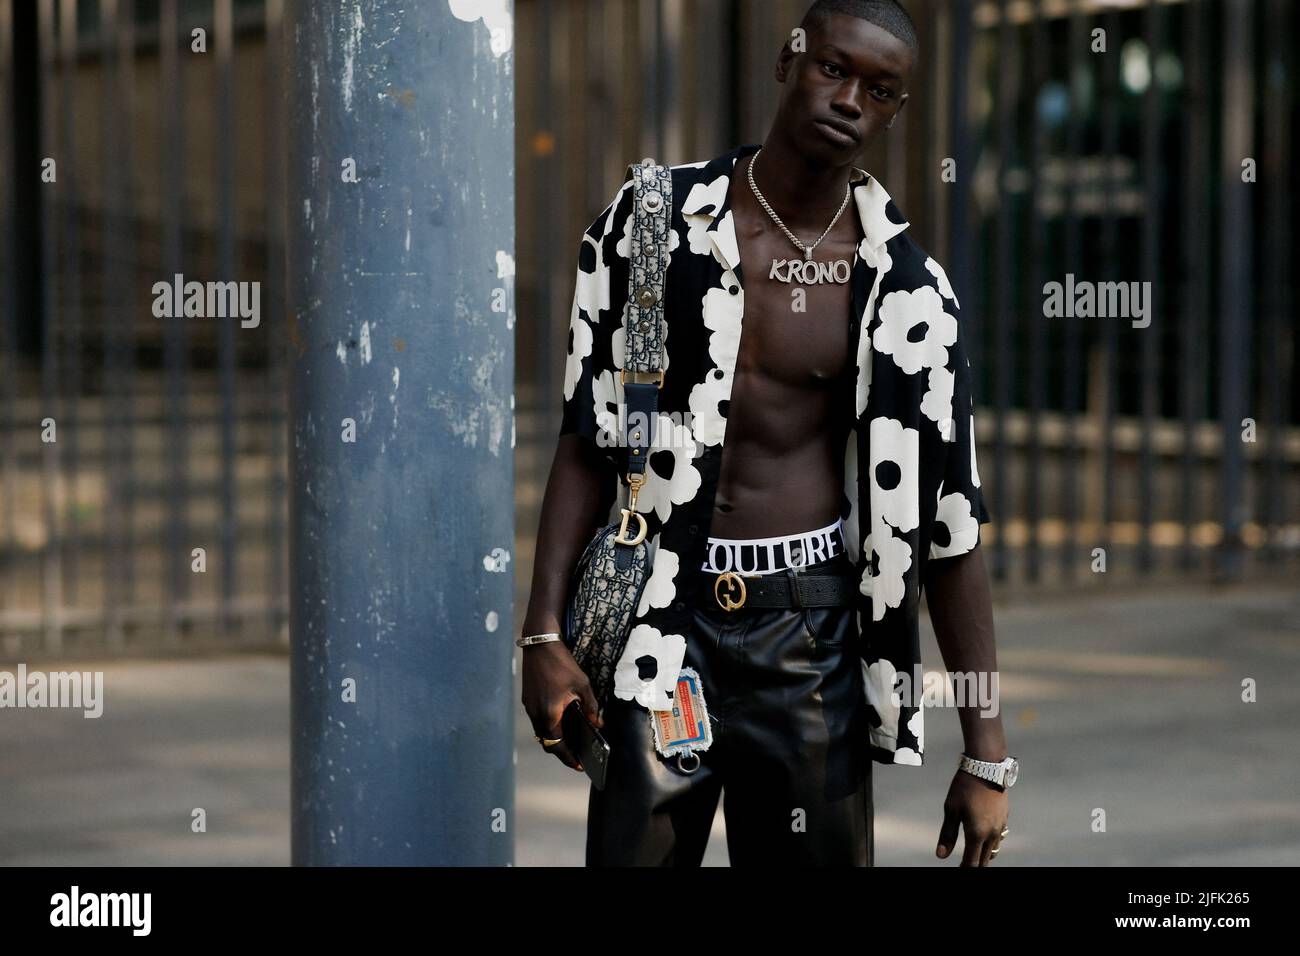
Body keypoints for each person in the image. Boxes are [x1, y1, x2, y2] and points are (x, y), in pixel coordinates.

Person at [520, 0, 1016, 867]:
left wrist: (986, 750)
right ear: (791, 61)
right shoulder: (649, 227)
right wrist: (544, 636)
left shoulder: (909, 294)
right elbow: (589, 439)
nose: (851, 99)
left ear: (896, 110)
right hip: (661, 626)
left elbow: (950, 527)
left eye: (881, 89)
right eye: (834, 68)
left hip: (809, 642)